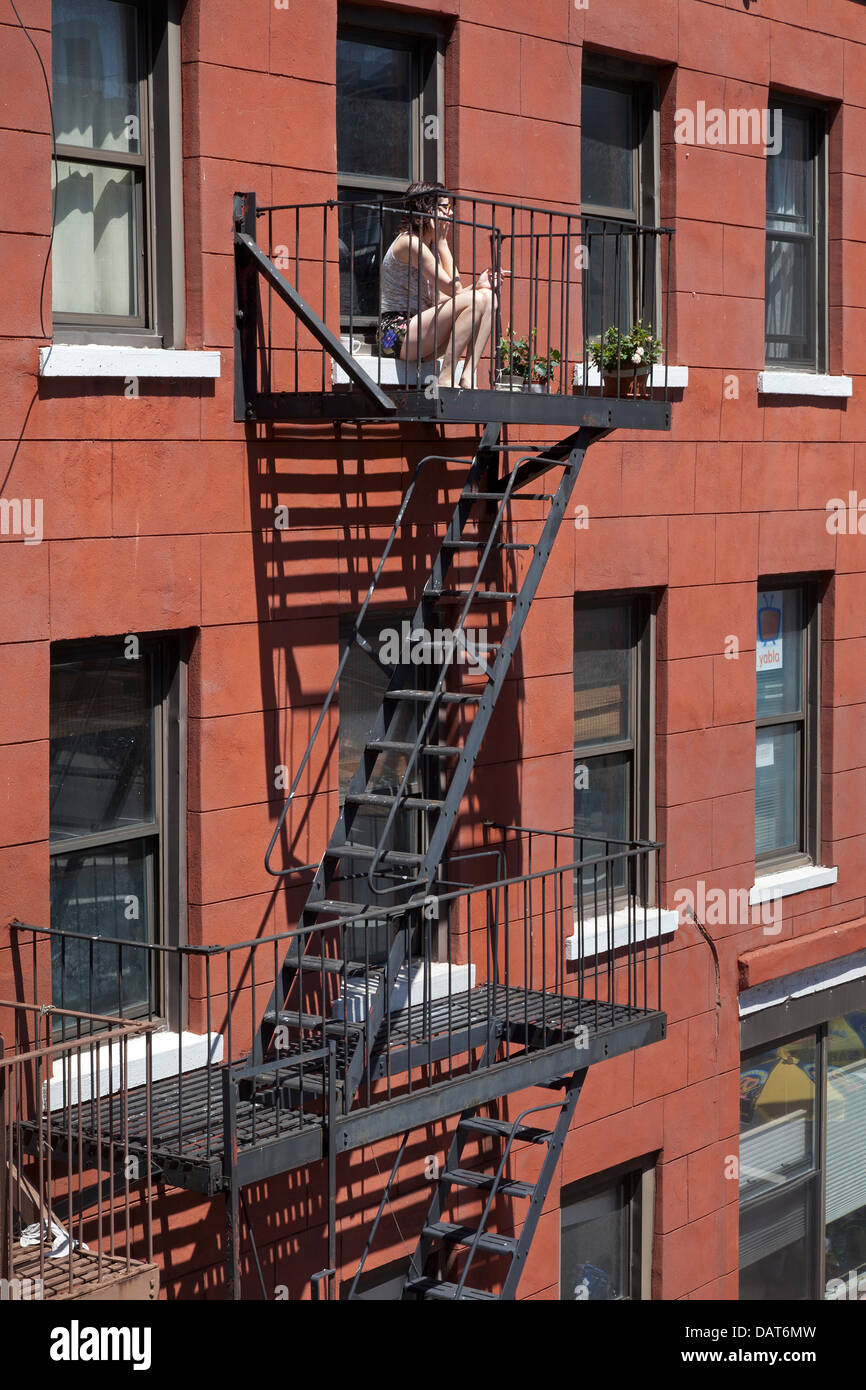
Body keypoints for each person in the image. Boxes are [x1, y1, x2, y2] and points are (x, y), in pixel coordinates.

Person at [378, 181, 500, 388]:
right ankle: (445, 378)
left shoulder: (429, 248)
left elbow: (446, 297)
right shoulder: (411, 243)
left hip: (421, 331)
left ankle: (468, 375)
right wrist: (443, 243)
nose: (451, 213)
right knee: (478, 298)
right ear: (427, 211)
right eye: (446, 207)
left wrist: (480, 286)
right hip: (395, 334)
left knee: (489, 298)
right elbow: (455, 289)